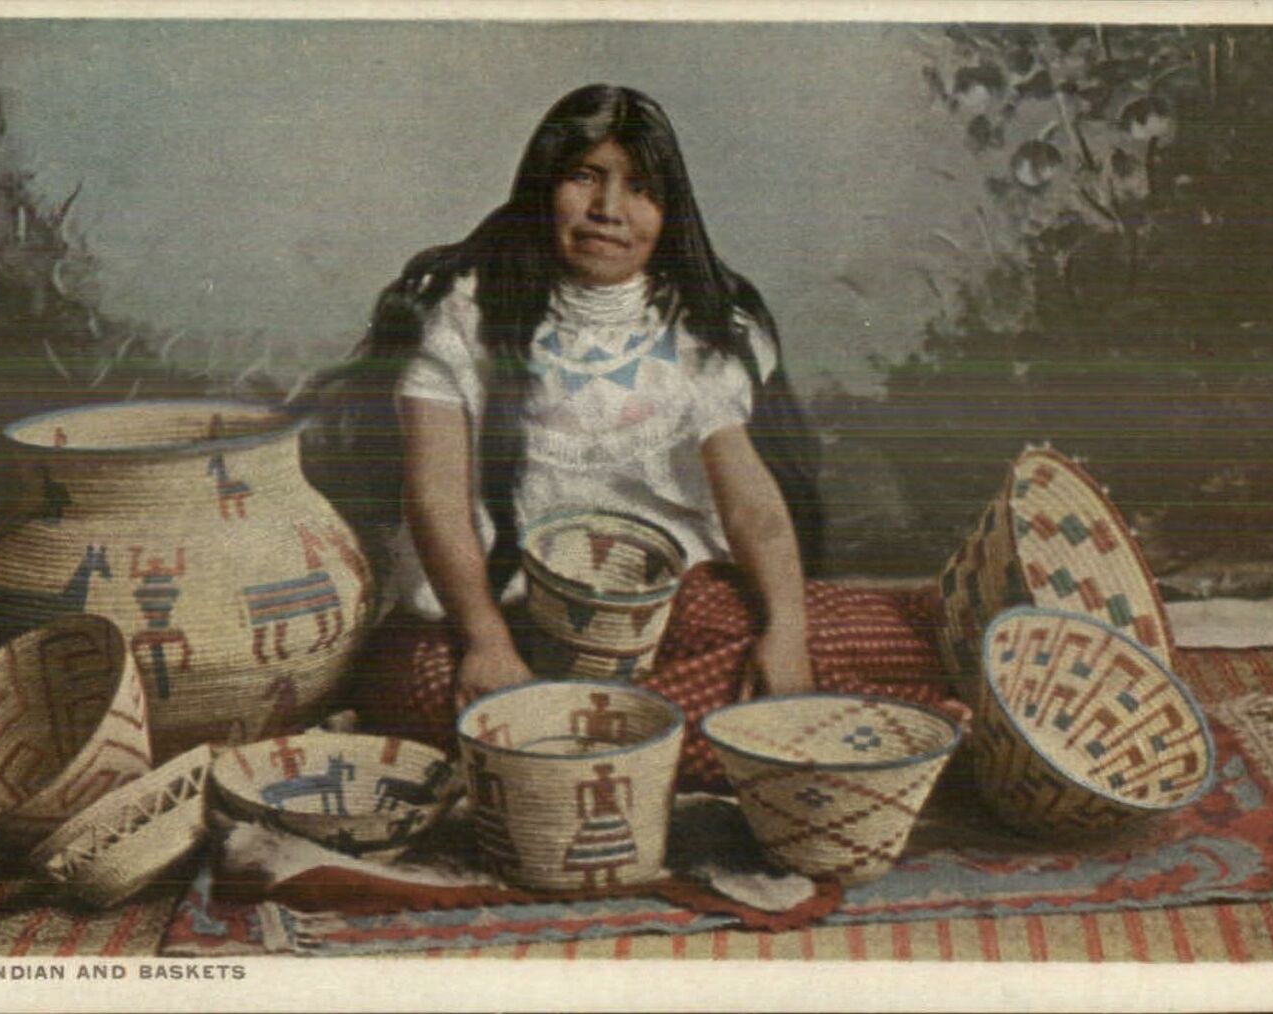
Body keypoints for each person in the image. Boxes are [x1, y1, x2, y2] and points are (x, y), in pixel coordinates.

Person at [314, 84, 948, 776]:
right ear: (542, 184)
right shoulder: (465, 307)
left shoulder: (694, 321)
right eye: (585, 177)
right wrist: (487, 640)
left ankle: (596, 742)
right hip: (495, 611)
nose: (609, 210)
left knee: (788, 636)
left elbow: (750, 504)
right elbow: (435, 495)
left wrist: (786, 634)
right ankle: (847, 723)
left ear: (668, 211)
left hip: (662, 618)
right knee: (424, 694)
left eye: (640, 188)